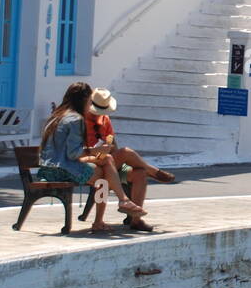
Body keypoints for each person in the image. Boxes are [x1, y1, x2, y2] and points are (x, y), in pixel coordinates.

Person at [38, 82, 146, 232]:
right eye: (89, 100)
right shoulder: (76, 119)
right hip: (62, 169)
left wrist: (96, 154)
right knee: (104, 171)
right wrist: (95, 151)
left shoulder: (56, 116)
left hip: (47, 168)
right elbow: (73, 154)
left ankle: (109, 213)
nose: (90, 104)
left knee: (105, 166)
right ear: (83, 100)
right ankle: (119, 204)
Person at [85, 88, 177, 232]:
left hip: (109, 160)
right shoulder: (81, 121)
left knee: (139, 173)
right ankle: (153, 171)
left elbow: (111, 142)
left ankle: (136, 220)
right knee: (126, 152)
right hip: (93, 160)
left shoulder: (105, 120)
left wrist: (107, 144)